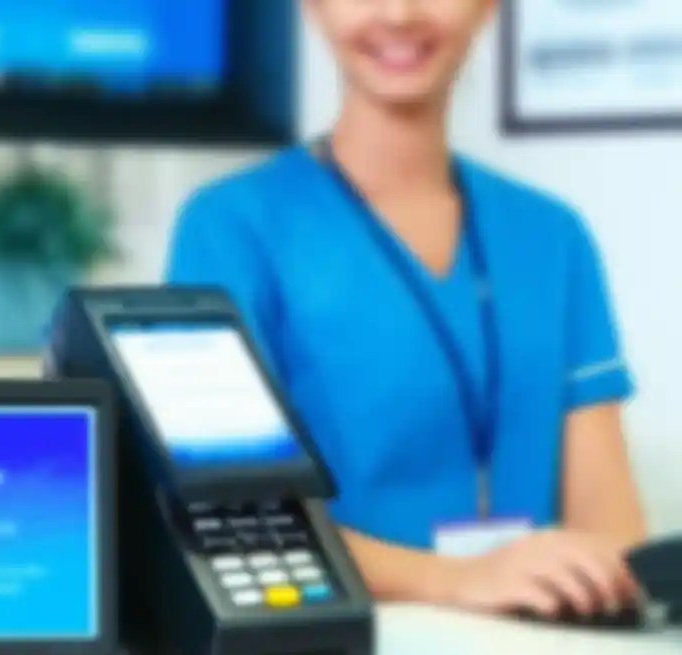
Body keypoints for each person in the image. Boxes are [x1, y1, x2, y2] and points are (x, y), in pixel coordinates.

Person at [166, 0, 647, 618]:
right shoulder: (230, 229)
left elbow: (611, 528)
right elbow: (233, 520)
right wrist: (460, 580)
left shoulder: (553, 237)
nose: (398, 13)